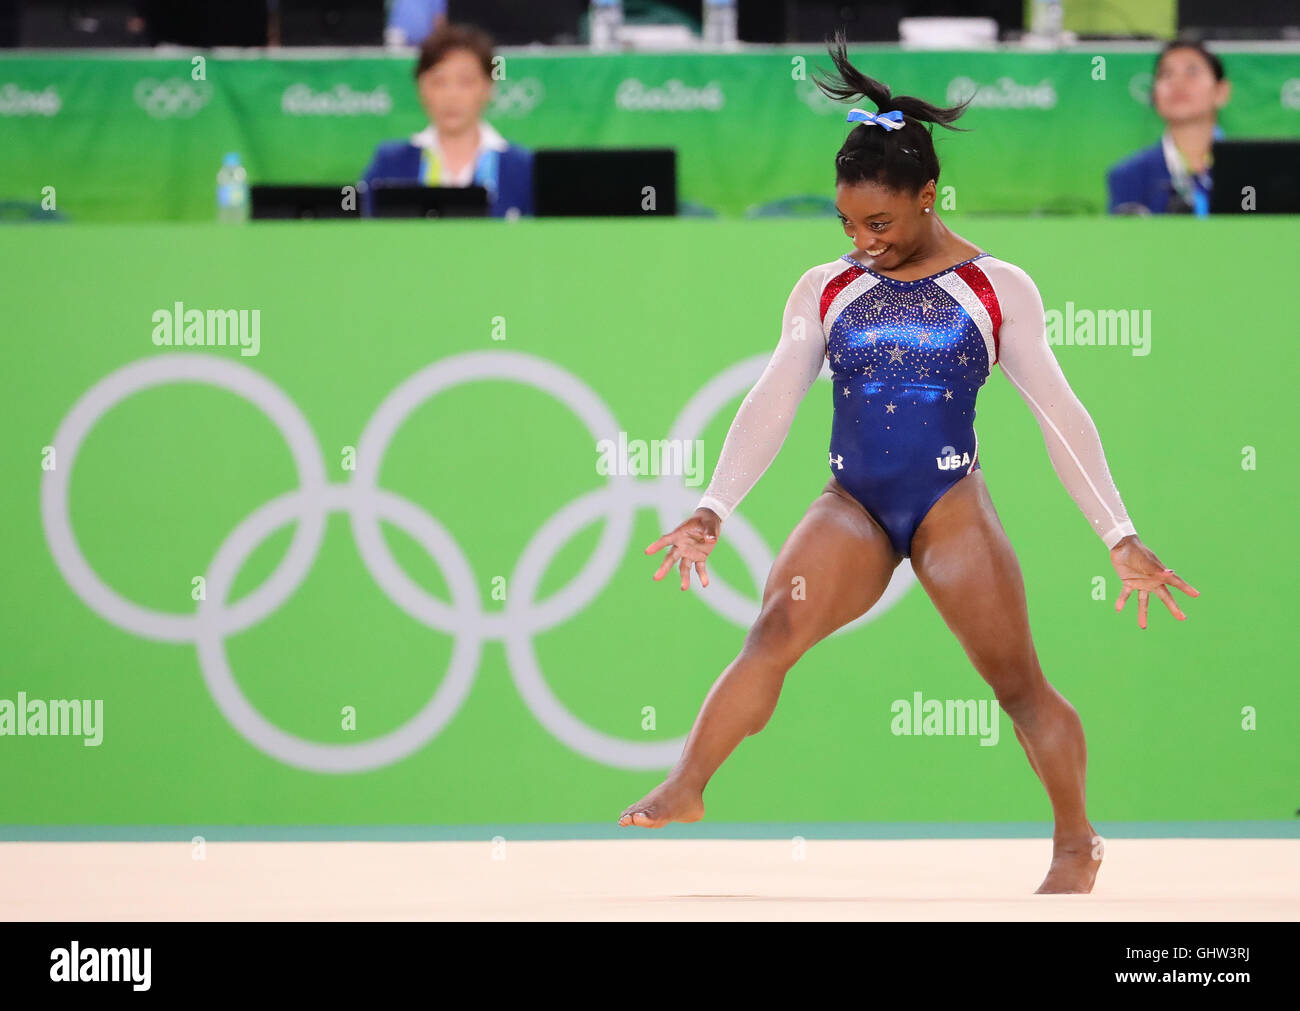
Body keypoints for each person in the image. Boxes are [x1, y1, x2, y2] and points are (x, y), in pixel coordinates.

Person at [619, 31, 1199, 894]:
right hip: (852, 499)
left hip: (946, 500)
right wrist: (713, 507)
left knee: (1016, 683)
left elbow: (1059, 415)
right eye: (848, 222)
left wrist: (1118, 532)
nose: (864, 240)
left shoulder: (996, 288)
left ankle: (1076, 839)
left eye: (881, 222)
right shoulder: (827, 285)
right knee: (774, 630)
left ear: (929, 195)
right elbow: (773, 396)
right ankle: (691, 782)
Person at [360, 23, 533, 218]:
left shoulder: (523, 167)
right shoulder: (389, 163)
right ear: (421, 88)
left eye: (465, 82)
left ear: (489, 88)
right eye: (438, 82)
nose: (451, 96)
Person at [1107, 41, 1230, 215]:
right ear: (1154, 96)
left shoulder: (1250, 172)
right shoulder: (1129, 175)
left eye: (1192, 71)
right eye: (1166, 74)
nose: (1177, 83)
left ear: (1221, 91)